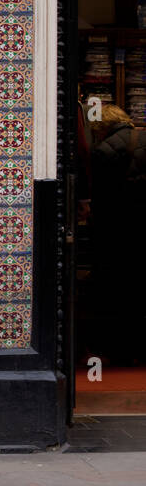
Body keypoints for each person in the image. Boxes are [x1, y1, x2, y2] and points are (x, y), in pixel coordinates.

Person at [86, 103, 146, 365]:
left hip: (116, 233)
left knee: (115, 289)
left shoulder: (103, 150)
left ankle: (119, 349)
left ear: (101, 127)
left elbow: (101, 198)